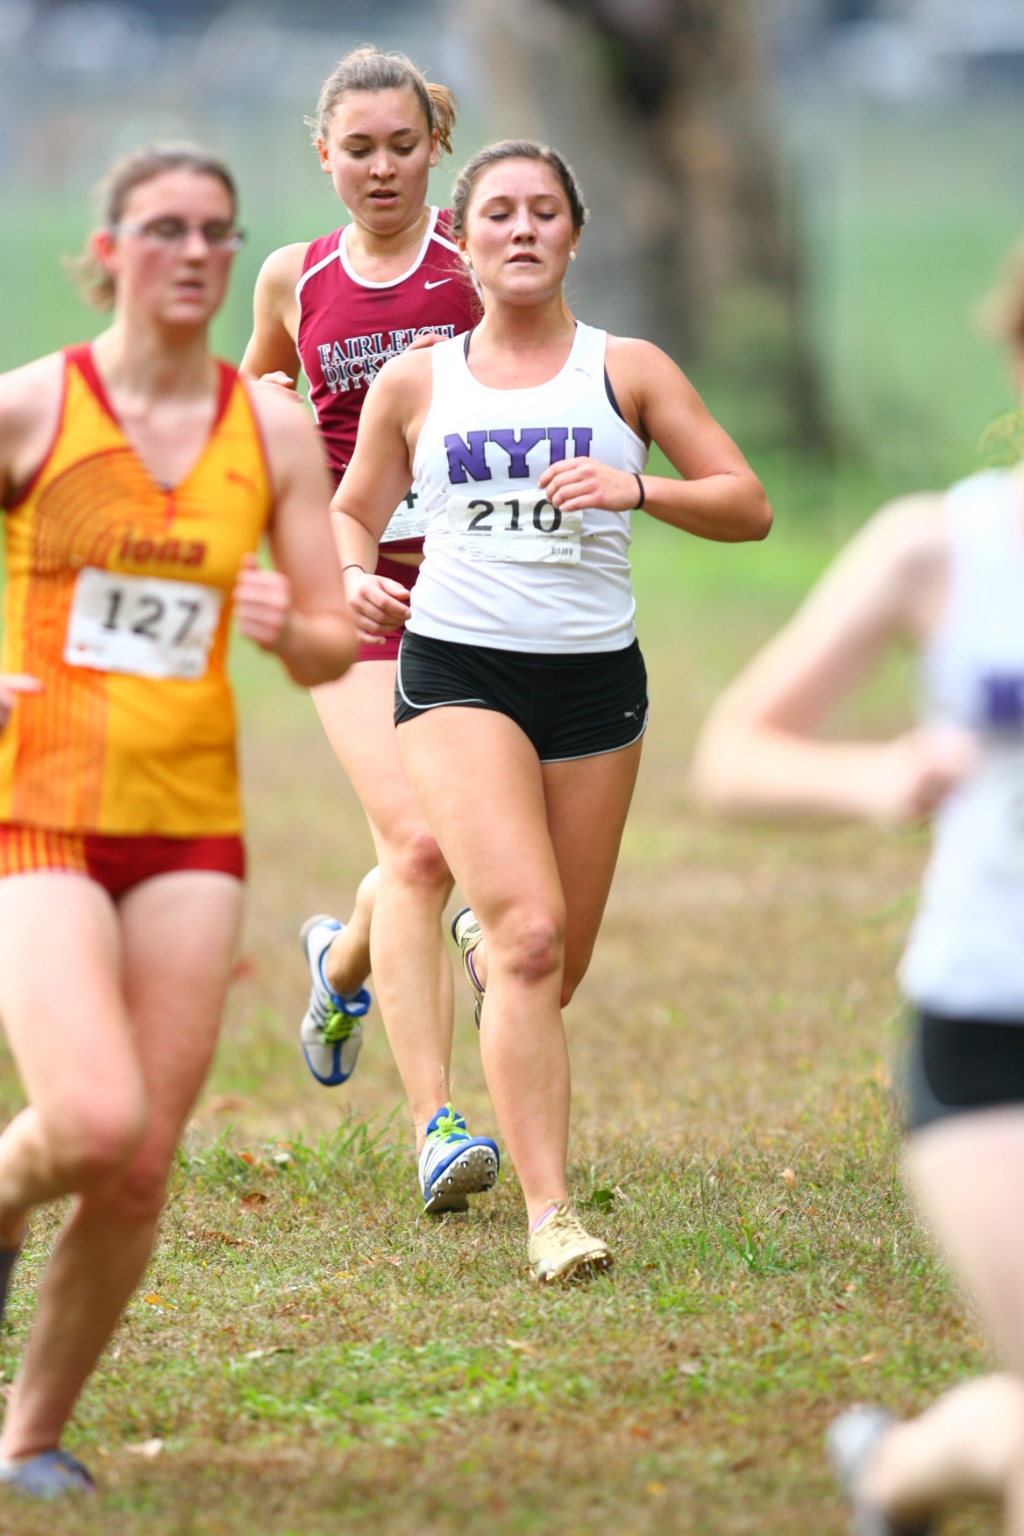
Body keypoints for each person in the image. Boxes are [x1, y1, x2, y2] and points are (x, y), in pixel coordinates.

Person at [333, 137, 771, 1281]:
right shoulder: (419, 380)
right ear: (464, 243)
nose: (521, 230)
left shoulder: (626, 368)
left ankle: (370, 939)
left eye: (543, 213)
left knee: (550, 968)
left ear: (574, 233)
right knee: (523, 943)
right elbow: (351, 512)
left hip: (593, 683)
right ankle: (551, 1216)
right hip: (457, 670)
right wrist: (348, 571)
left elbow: (747, 504)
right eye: (498, 216)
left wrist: (638, 485)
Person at [0, 141, 355, 1499]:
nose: (196, 253)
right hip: (39, 811)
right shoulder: (35, 409)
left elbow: (330, 636)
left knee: (139, 1167)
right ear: (105, 253)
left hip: (193, 825)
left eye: (217, 230)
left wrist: (292, 629)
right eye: (163, 230)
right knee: (86, 1122)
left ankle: (28, 1434)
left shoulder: (262, 428)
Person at [690, 253, 1024, 1533]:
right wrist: (885, 773)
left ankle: (892, 1477)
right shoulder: (942, 546)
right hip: (989, 1026)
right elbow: (735, 755)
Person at [240, 48, 499, 1216]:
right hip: (345, 600)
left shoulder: (476, 274)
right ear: (324, 155)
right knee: (423, 846)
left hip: (478, 600)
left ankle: (340, 961)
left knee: (424, 854)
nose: (382, 168)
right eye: (359, 149)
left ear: (434, 147)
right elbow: (253, 400)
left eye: (402, 146)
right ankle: (435, 1126)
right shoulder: (294, 278)